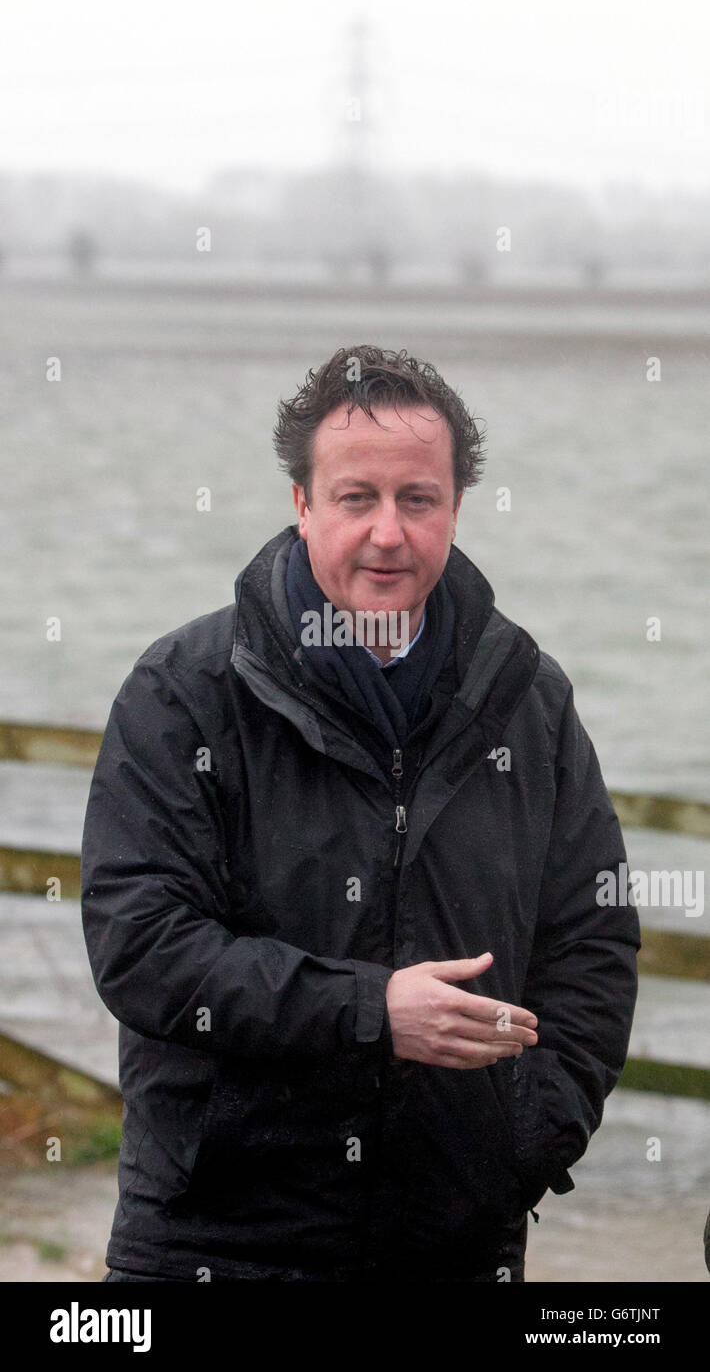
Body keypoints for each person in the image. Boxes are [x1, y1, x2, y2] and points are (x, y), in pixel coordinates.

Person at [81, 344, 641, 1283]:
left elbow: (594, 937)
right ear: (302, 504)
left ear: (456, 508)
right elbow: (142, 947)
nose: (388, 532)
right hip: (218, 1240)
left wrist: (528, 1140)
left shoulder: (528, 699)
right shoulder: (185, 692)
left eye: (418, 499)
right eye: (356, 499)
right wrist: (371, 1010)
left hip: (457, 1243)